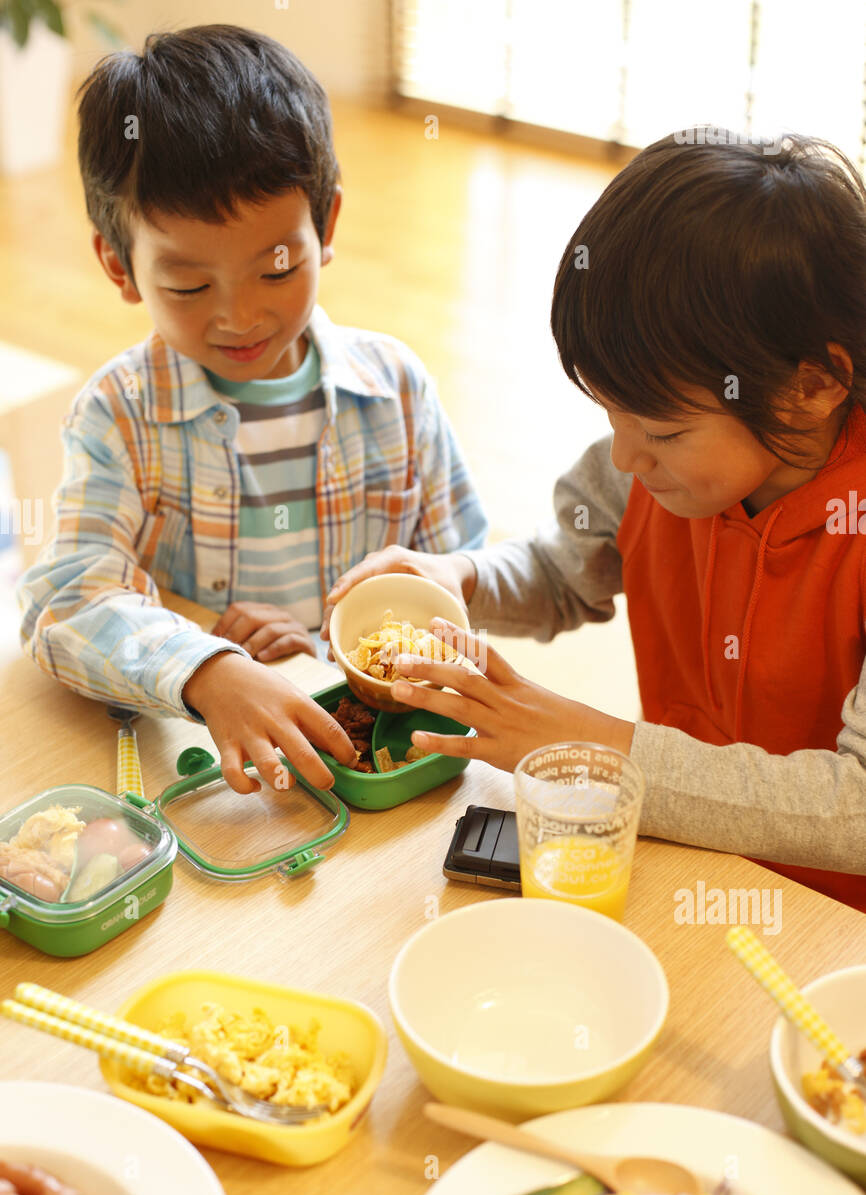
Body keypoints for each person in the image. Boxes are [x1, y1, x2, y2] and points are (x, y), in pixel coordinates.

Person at [323, 129, 866, 911]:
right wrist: (461, 578)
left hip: (834, 916)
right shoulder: (649, 462)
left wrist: (601, 749)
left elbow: (855, 804)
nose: (623, 458)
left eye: (661, 430)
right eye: (609, 413)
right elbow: (559, 570)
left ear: (812, 386)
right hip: (677, 847)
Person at [17, 24, 486, 795]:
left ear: (326, 227)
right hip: (214, 769)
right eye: (191, 287)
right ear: (119, 267)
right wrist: (209, 662)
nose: (239, 317)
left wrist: (319, 649)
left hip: (373, 765)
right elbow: (64, 602)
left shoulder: (397, 389)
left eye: (275, 267)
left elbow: (454, 589)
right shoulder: (119, 414)